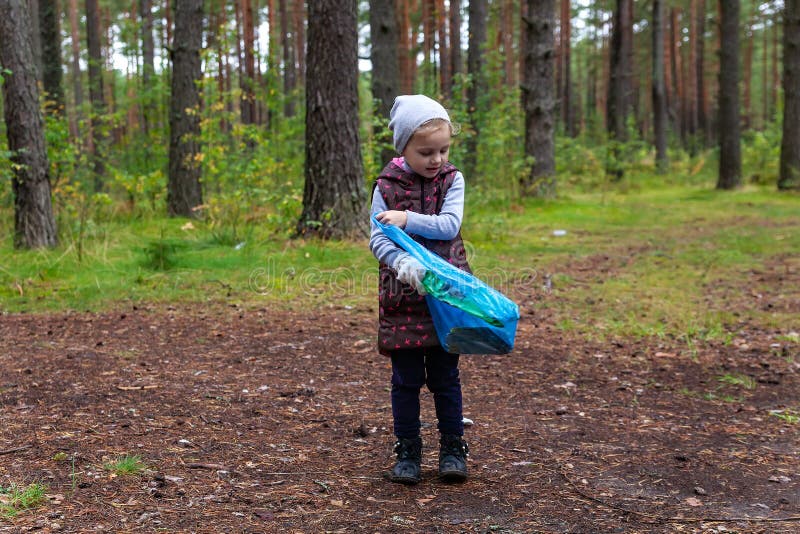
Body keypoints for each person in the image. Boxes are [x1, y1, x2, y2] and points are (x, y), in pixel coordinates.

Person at [369, 94, 471, 484]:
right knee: (406, 378)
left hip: (446, 294)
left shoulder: (452, 179)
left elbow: (448, 225)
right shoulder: (385, 185)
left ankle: (453, 449)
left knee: (446, 376)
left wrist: (407, 219)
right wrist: (402, 263)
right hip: (402, 296)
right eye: (426, 151)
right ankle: (408, 451)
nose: (437, 159)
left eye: (443, 149)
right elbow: (377, 239)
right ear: (403, 148)